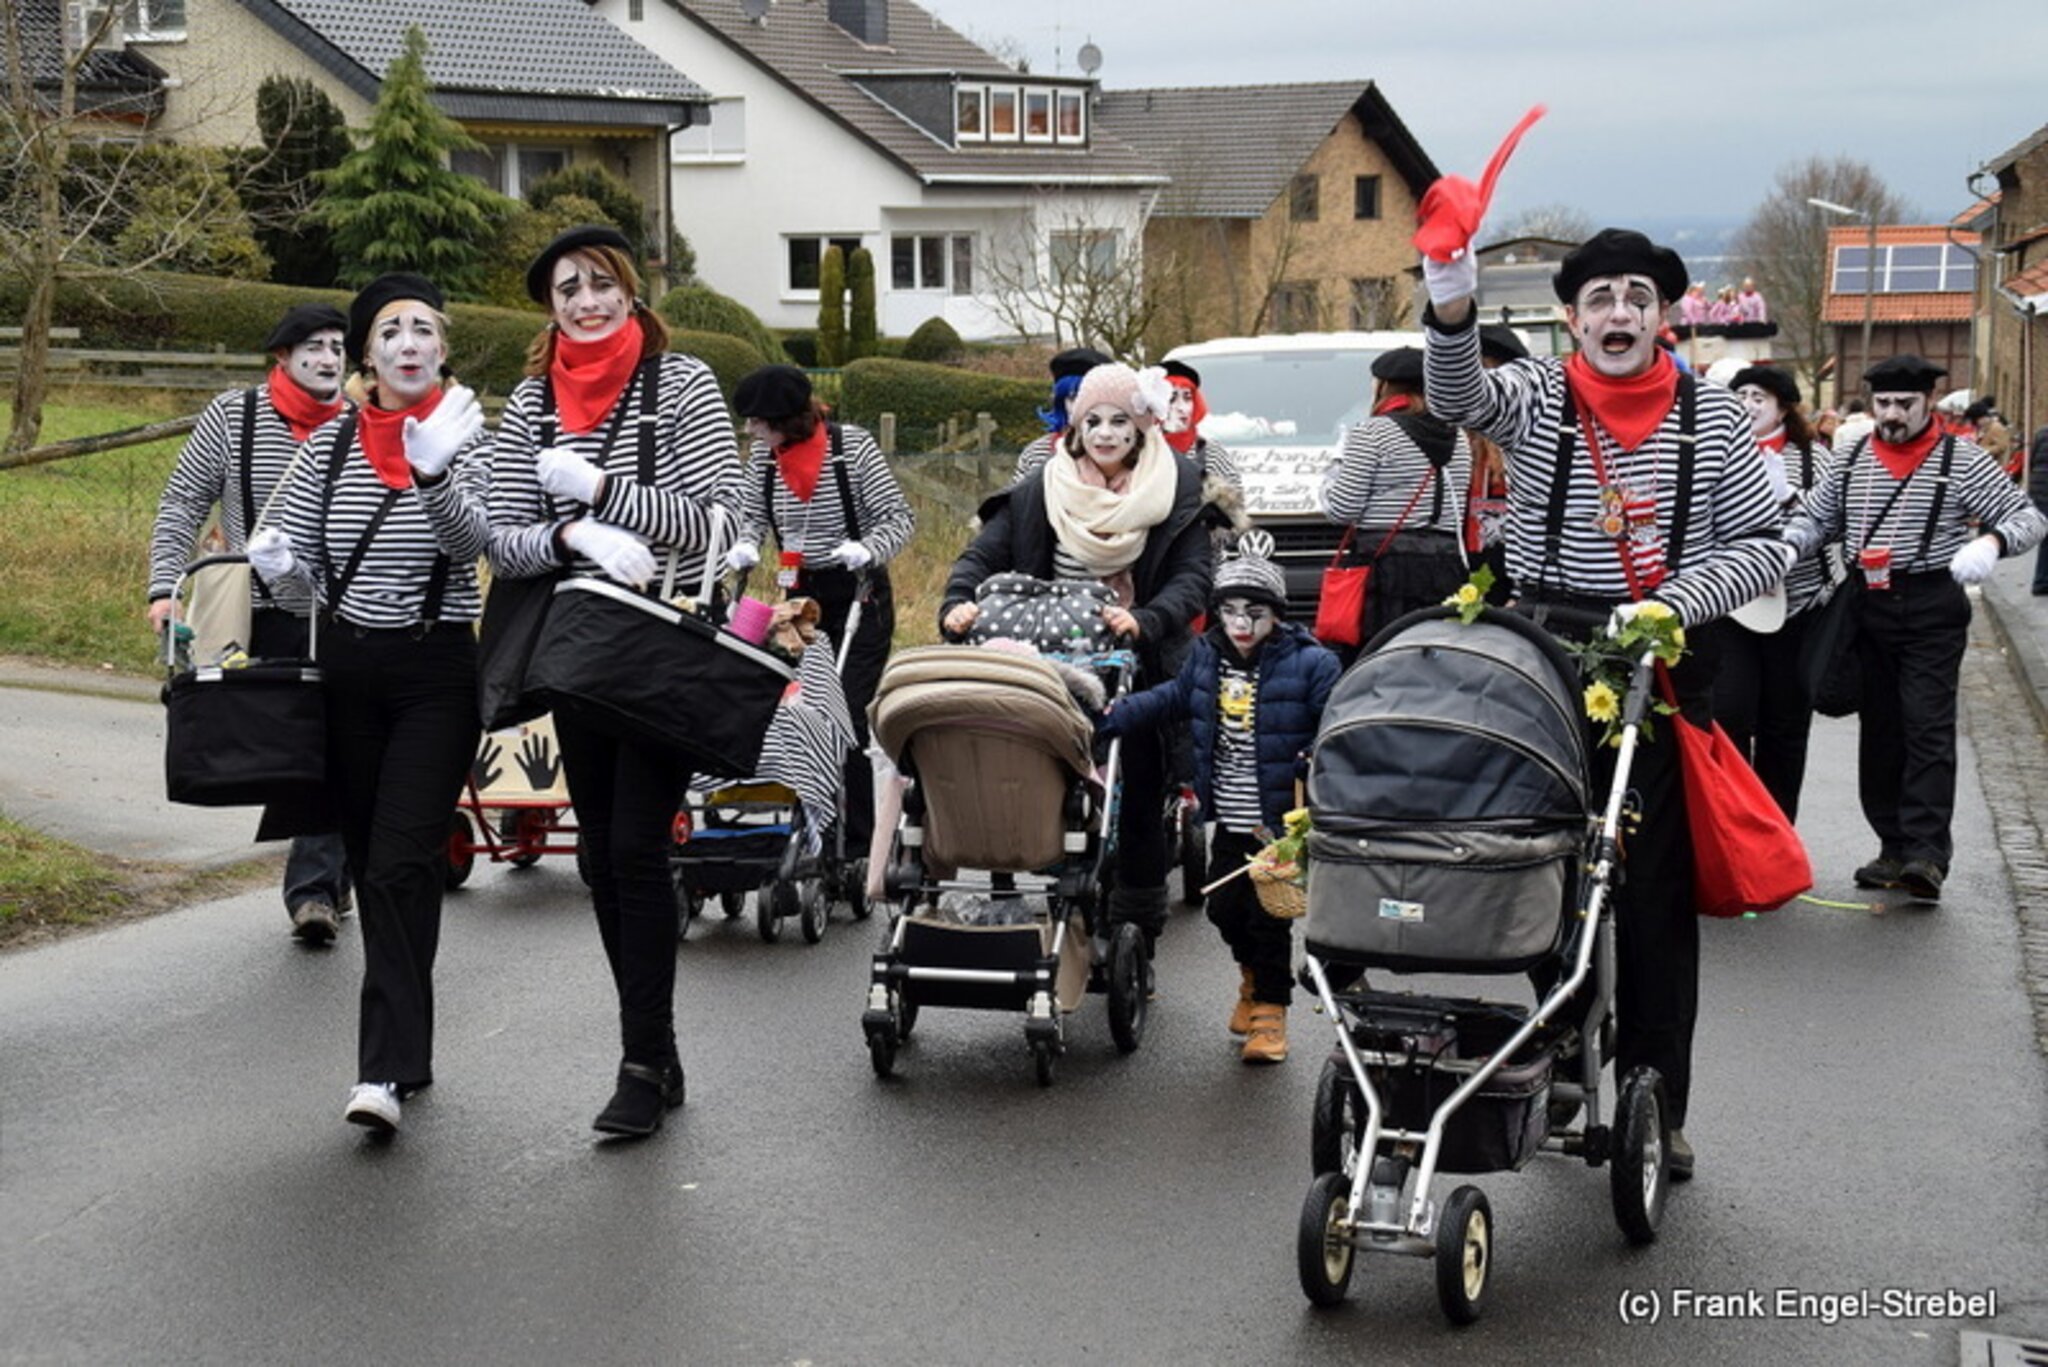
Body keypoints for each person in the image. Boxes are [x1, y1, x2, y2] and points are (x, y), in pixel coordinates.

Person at [1420, 225, 1791, 1180]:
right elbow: (1455, 394)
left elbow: (1766, 545)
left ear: (1664, 314)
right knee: (1543, 871)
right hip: (1547, 652)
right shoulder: (1538, 395)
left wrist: (1673, 603)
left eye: (1637, 297)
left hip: (1660, 664)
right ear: (1570, 317)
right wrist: (1452, 299)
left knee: (1653, 894)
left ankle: (1657, 1096)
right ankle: (1553, 1061)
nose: (1618, 314)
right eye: (1599, 300)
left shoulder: (1716, 421)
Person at [486, 225, 741, 1138]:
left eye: (601, 284)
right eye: (567, 290)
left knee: (633, 843)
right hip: (575, 651)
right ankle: (656, 1052)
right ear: (548, 307)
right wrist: (566, 538)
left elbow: (720, 520)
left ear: (630, 292)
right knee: (600, 851)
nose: (586, 301)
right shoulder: (528, 403)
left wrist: (602, 493)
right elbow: (501, 536)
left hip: (664, 646)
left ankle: (640, 1061)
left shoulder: (683, 383)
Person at [246, 273, 489, 1135]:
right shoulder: (332, 443)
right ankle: (409, 1051)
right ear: (368, 355)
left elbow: (477, 544)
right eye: (392, 330)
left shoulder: (466, 433)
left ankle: (379, 1070)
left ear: (443, 350)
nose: (410, 342)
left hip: (435, 672)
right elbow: (312, 568)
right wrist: (278, 566)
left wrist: (431, 475)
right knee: (390, 867)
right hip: (346, 671)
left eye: (426, 328)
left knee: (394, 864)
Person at [941, 361, 1212, 943]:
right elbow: (980, 557)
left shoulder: (1176, 487)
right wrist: (959, 603)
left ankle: (1137, 913)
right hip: (1044, 656)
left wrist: (1145, 619)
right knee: (1020, 760)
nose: (1106, 433)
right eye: (1094, 420)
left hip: (1136, 655)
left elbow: (1193, 578)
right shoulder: (1043, 487)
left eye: (1120, 421)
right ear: (1075, 425)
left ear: (1141, 428)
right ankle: (1018, 877)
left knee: (1138, 772)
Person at [1783, 355, 2047, 902]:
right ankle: (1892, 846)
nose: (1893, 414)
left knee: (1925, 724)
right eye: (1883, 403)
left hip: (1931, 603)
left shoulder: (1963, 460)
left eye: (1905, 404)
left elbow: (2028, 518)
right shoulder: (1852, 458)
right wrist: (1787, 545)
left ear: (1929, 403)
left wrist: (1991, 543)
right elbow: (1816, 517)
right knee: (1881, 729)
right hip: (1867, 605)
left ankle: (1927, 854)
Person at [147, 303, 355, 945]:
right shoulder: (234, 416)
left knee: (329, 745)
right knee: (266, 744)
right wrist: (164, 589)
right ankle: (329, 871)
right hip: (248, 607)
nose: (328, 358)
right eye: (313, 347)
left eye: (338, 347)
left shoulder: (359, 423)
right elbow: (184, 499)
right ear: (283, 357)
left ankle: (315, 889)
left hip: (331, 611)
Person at [1099, 539, 1338, 1064]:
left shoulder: (1313, 664)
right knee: (1224, 909)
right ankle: (1250, 980)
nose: (1241, 624)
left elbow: (1335, 726)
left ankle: (1271, 1014)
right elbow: (1173, 698)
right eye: (1230, 611)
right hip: (1228, 815)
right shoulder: (1206, 657)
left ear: (1276, 614)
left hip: (1280, 822)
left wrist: (1314, 754)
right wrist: (1116, 713)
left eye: (1254, 613)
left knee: (1266, 918)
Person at [726, 364, 914, 859]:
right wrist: (746, 546)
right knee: (792, 709)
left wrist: (868, 549)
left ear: (785, 419)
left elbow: (899, 517)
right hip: (797, 598)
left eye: (758, 422)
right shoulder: (764, 459)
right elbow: (751, 516)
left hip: (857, 593)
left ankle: (852, 846)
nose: (750, 430)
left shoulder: (850, 449)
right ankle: (801, 818)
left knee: (843, 715)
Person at [1713, 365, 1832, 820]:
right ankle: (1739, 828)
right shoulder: (1720, 453)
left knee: (1785, 726)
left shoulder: (1813, 458)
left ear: (1782, 405)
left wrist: (1790, 507)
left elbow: (1828, 524)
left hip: (1797, 606)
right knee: (1731, 714)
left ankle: (1779, 827)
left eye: (1758, 397)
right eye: (1740, 395)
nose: (1747, 405)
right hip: (1734, 607)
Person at [1318, 346, 1472, 655]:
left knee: (1379, 660)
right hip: (1446, 569)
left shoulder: (1372, 432)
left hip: (1385, 572)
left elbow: (1341, 507)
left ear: (1384, 386)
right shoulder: (1460, 438)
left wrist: (1333, 467)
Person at [1014, 346, 1112, 483]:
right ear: (1061, 402)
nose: (1081, 406)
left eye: (1090, 398)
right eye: (1073, 397)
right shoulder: (1036, 454)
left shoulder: (1126, 452)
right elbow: (1018, 502)